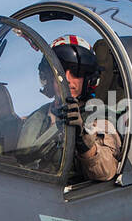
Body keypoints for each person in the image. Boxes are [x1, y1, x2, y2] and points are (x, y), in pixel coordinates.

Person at [18, 35, 121, 182]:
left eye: (76, 73)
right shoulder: (36, 117)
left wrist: (82, 140)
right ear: (48, 76)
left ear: (89, 79)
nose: (66, 78)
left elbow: (105, 171)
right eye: (60, 72)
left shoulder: (99, 119)